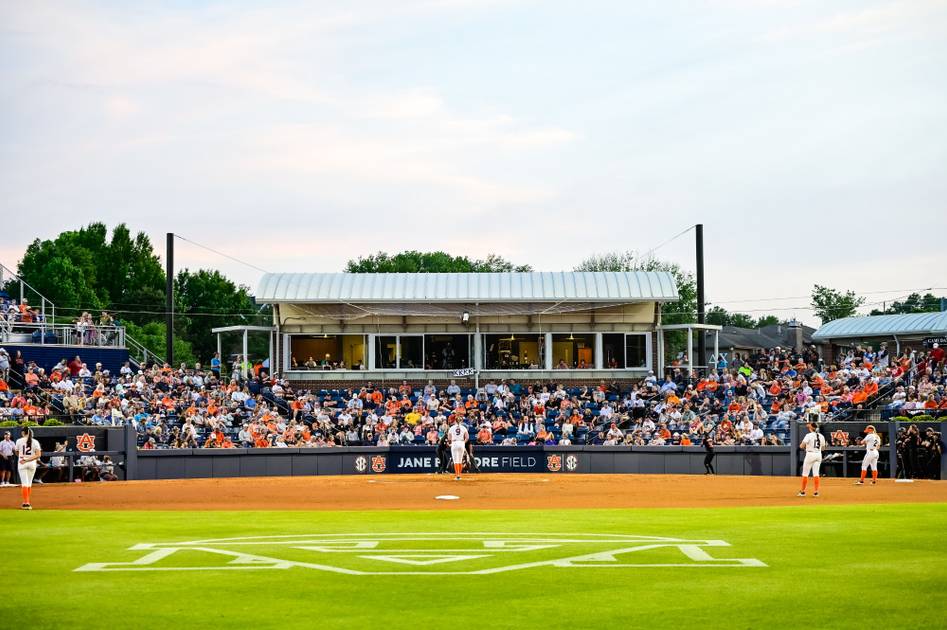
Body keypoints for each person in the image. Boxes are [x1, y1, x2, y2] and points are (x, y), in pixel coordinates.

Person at [16, 426, 42, 510]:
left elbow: (16, 452)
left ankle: (26, 503)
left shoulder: (19, 440)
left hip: (22, 462)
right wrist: (28, 459)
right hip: (32, 463)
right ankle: (26, 502)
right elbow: (38, 455)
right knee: (29, 483)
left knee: (24, 483)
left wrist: (24, 458)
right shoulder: (35, 441)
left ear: (23, 432)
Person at [798, 422, 825, 497]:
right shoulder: (821, 436)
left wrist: (806, 447)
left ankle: (802, 492)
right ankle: (816, 492)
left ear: (811, 428)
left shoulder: (808, 435)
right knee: (816, 473)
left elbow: (801, 446)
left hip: (810, 454)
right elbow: (823, 448)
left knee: (805, 474)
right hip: (818, 454)